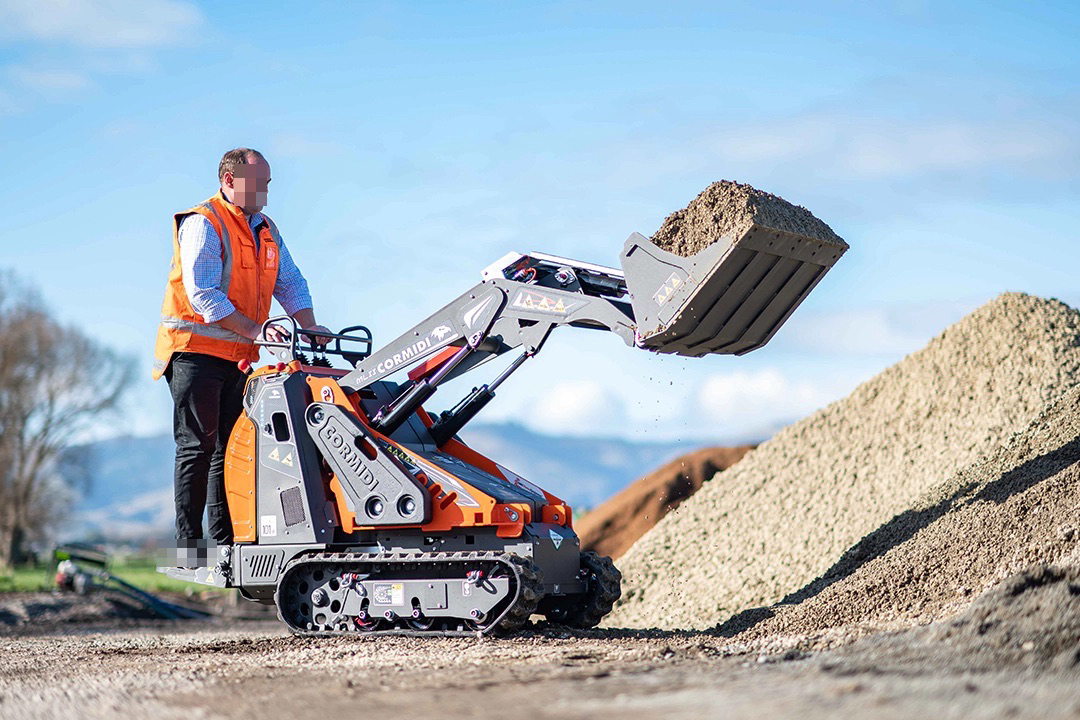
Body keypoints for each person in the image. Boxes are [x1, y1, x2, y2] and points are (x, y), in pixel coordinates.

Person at [152, 147, 330, 550]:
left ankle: (227, 546)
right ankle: (189, 549)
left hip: (237, 357)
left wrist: (309, 325)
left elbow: (291, 282)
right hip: (194, 353)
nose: (266, 191)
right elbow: (204, 296)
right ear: (229, 180)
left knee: (230, 450)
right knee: (198, 446)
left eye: (268, 183)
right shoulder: (204, 222)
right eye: (258, 183)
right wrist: (258, 329)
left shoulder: (266, 229)